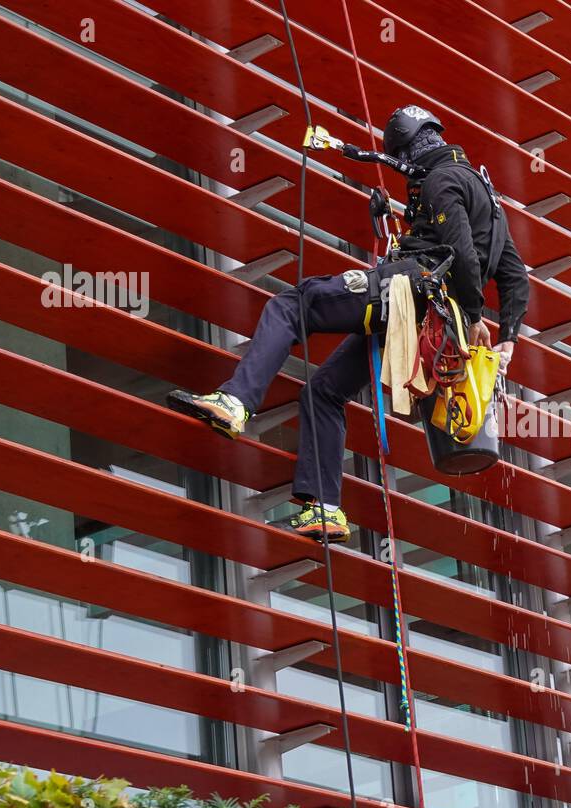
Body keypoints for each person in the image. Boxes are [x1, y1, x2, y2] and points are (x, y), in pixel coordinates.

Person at [166, 105, 529, 543]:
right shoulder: (488, 198)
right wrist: (507, 339)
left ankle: (235, 402)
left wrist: (472, 319)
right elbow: (514, 277)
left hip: (409, 296)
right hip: (420, 322)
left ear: (408, 148)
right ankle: (325, 508)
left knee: (294, 303)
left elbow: (463, 258)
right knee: (325, 391)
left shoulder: (439, 181)